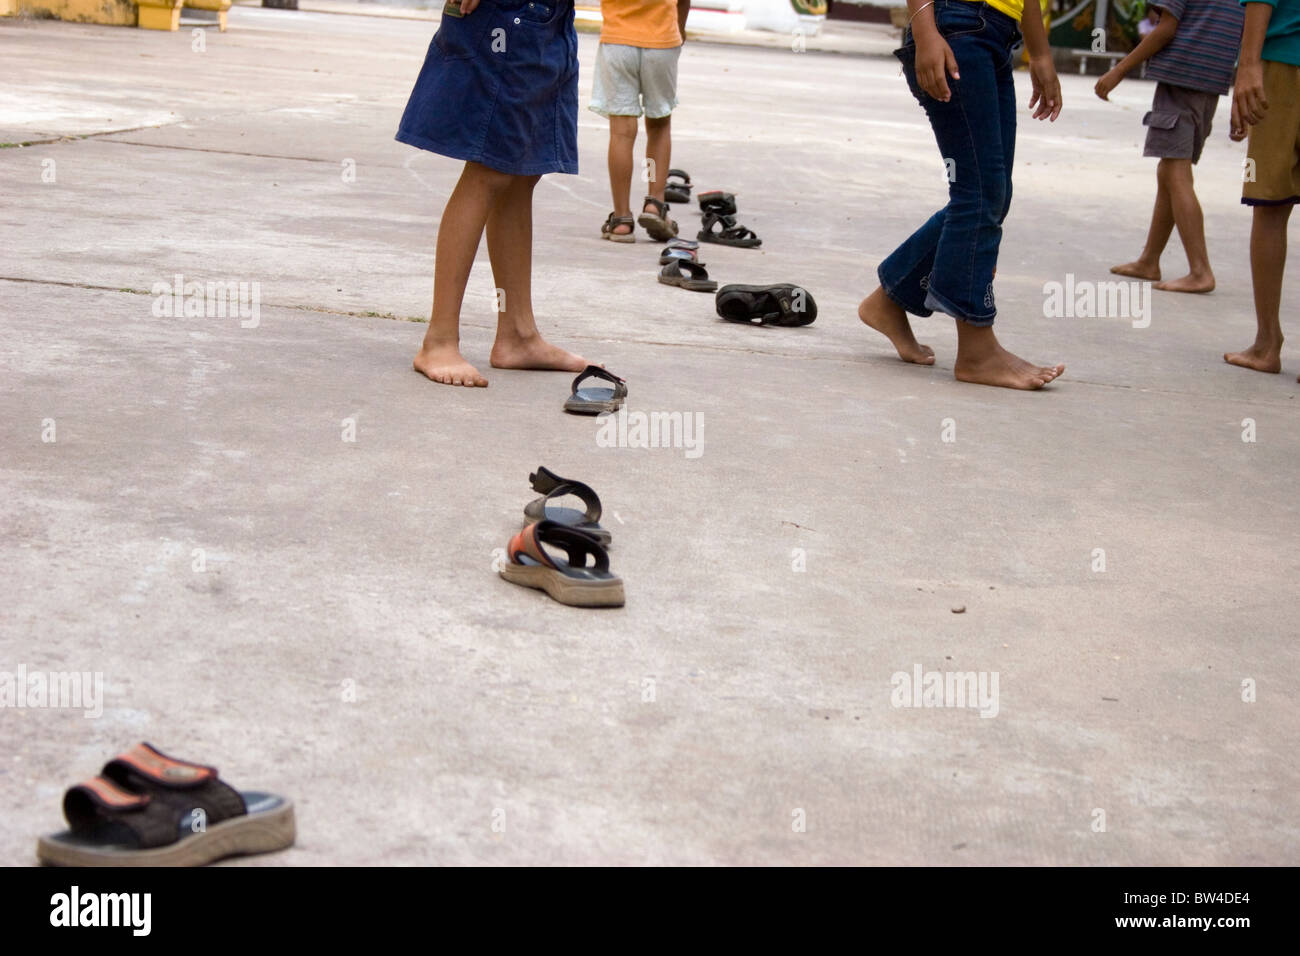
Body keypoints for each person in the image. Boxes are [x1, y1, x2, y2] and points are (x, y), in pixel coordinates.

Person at [858, 0, 1066, 389]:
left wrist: (1039, 53)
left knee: (992, 195)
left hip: (998, 35)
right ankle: (976, 351)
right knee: (979, 194)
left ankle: (890, 300)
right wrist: (925, 30)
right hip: (955, 26)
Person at [396, 0, 592, 388]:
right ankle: (439, 340)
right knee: (488, 171)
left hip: (547, 20)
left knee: (522, 173)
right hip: (506, 18)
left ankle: (518, 334)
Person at [1096, 0, 1245, 294]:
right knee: (1170, 168)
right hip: (1211, 83)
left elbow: (1166, 28)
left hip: (1180, 77)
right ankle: (1149, 260)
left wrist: (1119, 70)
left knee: (1176, 173)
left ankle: (1200, 271)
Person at [1225, 0, 1300, 378]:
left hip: (1283, 63)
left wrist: (1248, 64)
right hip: (1281, 57)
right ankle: (1266, 342)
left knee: (1269, 206)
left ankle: (1267, 344)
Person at [591, 0, 692, 243]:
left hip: (618, 42)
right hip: (662, 42)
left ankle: (622, 219)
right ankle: (655, 204)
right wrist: (680, 28)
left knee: (621, 132)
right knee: (658, 126)